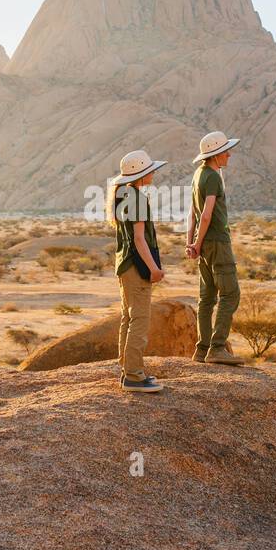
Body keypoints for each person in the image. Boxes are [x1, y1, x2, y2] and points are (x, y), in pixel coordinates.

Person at [108, 149, 168, 392]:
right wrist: (154, 269)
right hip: (137, 266)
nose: (153, 172)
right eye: (150, 169)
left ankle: (127, 370)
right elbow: (139, 239)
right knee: (140, 319)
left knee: (128, 318)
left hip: (123, 265)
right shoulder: (137, 198)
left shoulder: (122, 195)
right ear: (141, 173)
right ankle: (134, 375)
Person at [186, 131, 244, 364]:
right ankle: (217, 348)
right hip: (217, 242)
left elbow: (192, 213)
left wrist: (191, 243)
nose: (229, 154)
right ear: (216, 154)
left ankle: (202, 349)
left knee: (207, 298)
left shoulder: (198, 174)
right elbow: (207, 214)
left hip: (205, 244)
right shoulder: (213, 176)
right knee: (230, 294)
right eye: (225, 151)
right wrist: (196, 243)